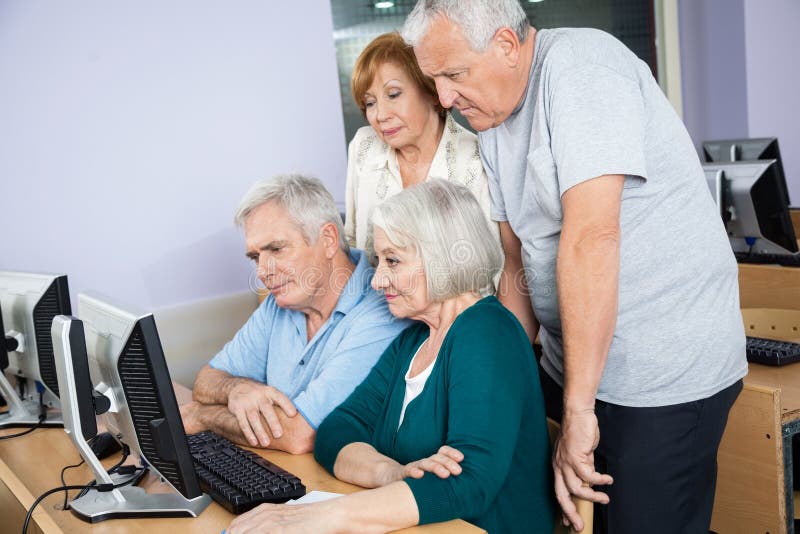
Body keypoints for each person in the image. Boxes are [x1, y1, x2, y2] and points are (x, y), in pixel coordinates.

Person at [402, 2, 747, 533]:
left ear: (506, 45)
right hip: (577, 366)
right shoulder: (492, 120)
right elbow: (517, 262)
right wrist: (492, 368)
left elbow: (592, 239)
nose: (445, 98)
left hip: (662, 372)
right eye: (434, 80)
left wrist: (579, 411)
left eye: (454, 74)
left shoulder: (582, 70)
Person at [226, 180, 555, 534]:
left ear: (442, 256)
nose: (377, 280)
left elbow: (468, 483)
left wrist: (323, 516)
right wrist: (392, 473)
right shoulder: (413, 339)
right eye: (379, 261)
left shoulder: (487, 333)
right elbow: (336, 431)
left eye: (393, 261)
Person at [180, 174, 410, 454]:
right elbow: (206, 381)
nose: (263, 272)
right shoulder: (284, 299)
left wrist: (202, 417)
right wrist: (236, 389)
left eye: (276, 249)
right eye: (255, 257)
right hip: (281, 468)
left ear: (328, 239)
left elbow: (300, 435)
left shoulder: (382, 311)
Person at [344, 31, 497, 257]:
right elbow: (352, 242)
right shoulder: (364, 146)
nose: (381, 115)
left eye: (393, 94)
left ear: (432, 92)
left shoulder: (476, 159)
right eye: (370, 103)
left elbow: (493, 261)